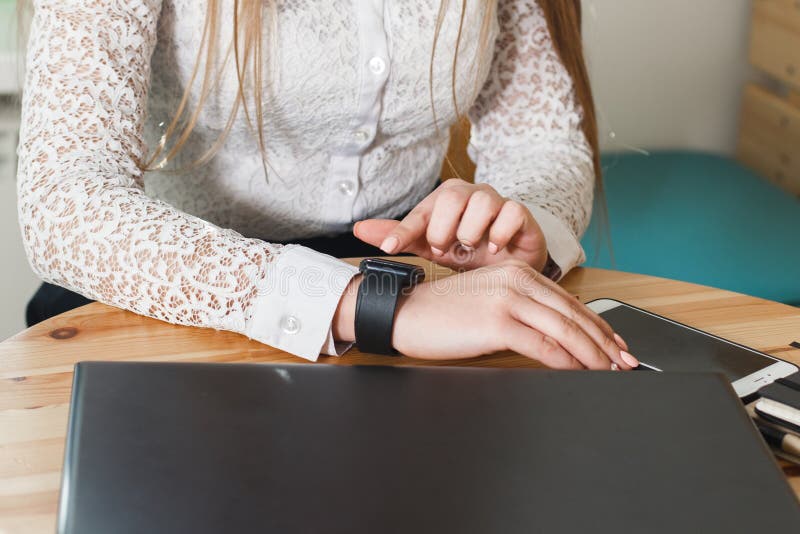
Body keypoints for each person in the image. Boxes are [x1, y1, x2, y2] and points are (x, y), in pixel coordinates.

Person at [17, 0, 638, 370]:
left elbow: (539, 141)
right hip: (161, 307)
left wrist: (519, 219)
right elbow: (64, 198)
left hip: (420, 299)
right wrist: (372, 305)